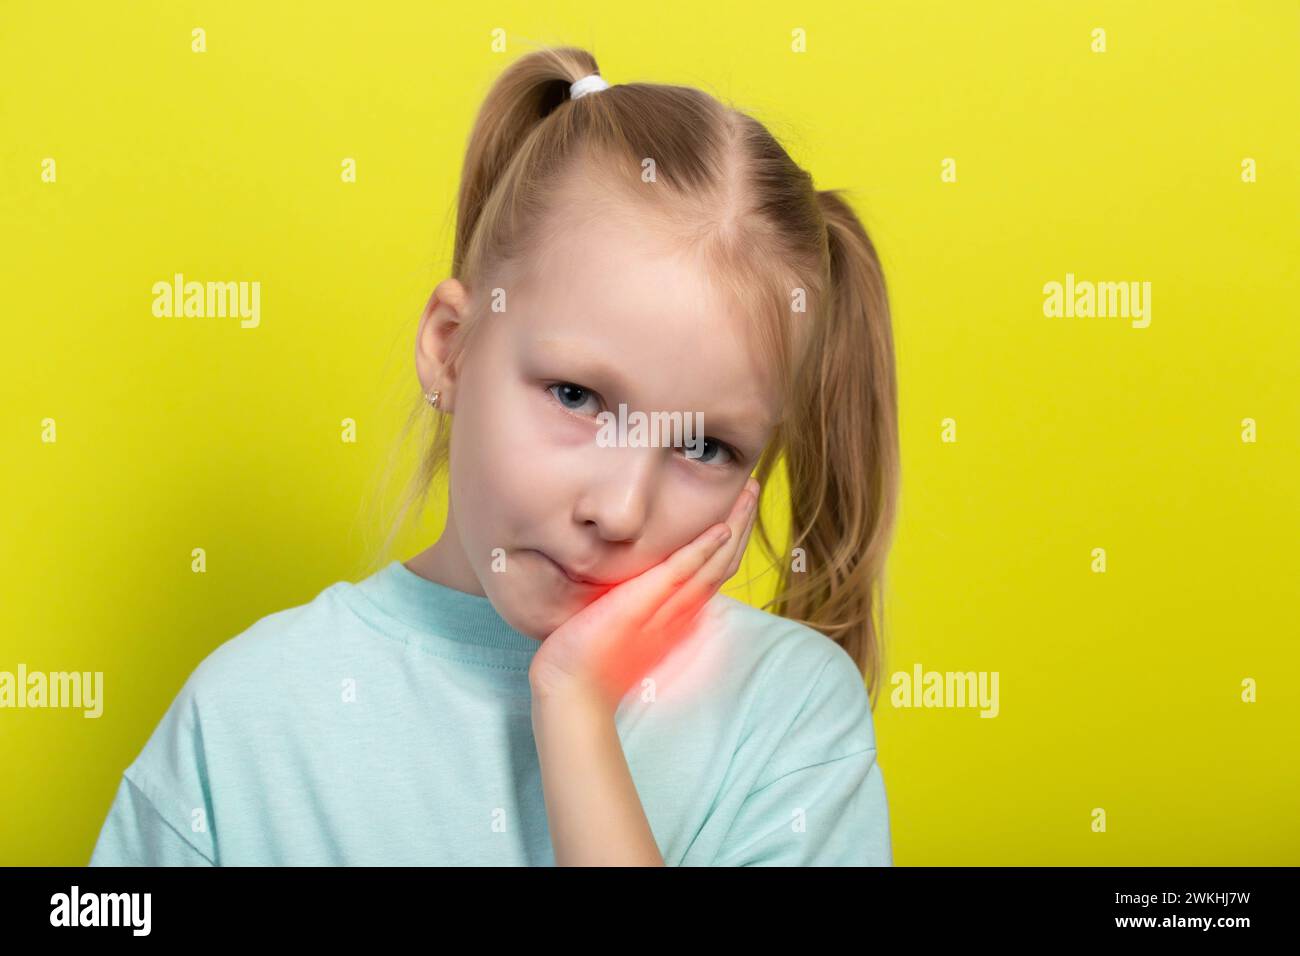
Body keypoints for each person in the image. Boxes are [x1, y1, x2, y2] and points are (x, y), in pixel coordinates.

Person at [89, 45, 900, 866]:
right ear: (451, 348)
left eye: (704, 446)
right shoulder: (247, 718)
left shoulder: (788, 717)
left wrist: (575, 712)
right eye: (576, 397)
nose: (619, 508)